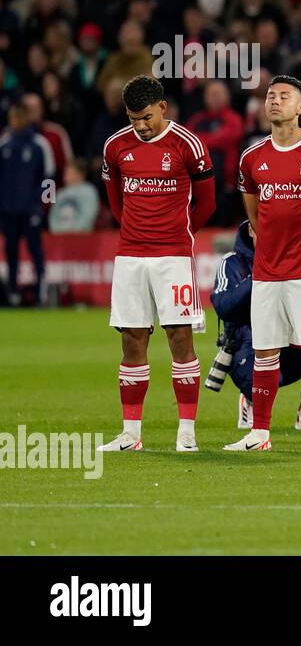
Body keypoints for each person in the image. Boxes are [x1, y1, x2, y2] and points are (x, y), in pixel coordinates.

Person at [225, 74, 301, 453]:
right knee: (265, 351)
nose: (274, 101)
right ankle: (260, 433)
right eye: (270, 96)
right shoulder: (252, 157)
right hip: (267, 273)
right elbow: (253, 211)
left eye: (284, 96)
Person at [97, 75, 216, 452]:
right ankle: (131, 434)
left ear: (163, 108)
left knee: (179, 338)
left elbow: (208, 203)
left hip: (173, 257)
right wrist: (135, 230)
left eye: (147, 117)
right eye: (133, 119)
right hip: (130, 257)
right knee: (132, 339)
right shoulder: (115, 146)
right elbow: (115, 200)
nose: (141, 126)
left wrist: (177, 233)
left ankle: (186, 432)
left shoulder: (188, 144)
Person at [211, 220, 301, 431]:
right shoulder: (232, 263)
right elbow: (223, 307)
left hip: (288, 342)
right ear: (250, 229)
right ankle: (250, 399)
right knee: (256, 378)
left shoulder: (293, 260)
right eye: (264, 231)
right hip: (249, 345)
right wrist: (259, 274)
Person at [0, 102, 55, 304]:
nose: (15, 121)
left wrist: (45, 208)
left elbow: (49, 178)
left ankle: (41, 291)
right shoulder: (4, 144)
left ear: (26, 118)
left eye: (19, 117)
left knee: (35, 251)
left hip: (31, 210)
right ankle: (13, 293)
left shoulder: (39, 144)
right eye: (12, 118)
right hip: (8, 211)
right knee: (11, 252)